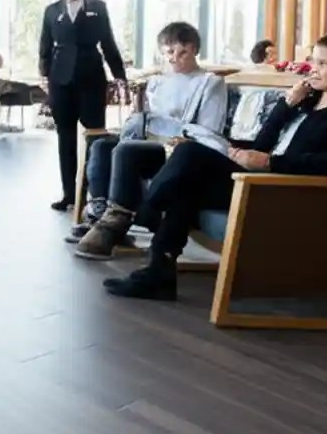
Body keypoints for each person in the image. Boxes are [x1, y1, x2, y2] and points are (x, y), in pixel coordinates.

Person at [103, 19, 327, 301]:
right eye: (314, 61)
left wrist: (270, 163)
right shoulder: (310, 99)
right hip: (266, 179)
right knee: (188, 174)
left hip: (293, 192)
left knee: (189, 155)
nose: (315, 70)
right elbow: (264, 143)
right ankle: (158, 270)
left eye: (325, 64)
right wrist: (285, 107)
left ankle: (147, 212)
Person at [72, 22, 228, 259]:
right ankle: (100, 215)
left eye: (182, 52)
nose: (175, 58)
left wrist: (165, 128)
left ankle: (114, 224)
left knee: (127, 150)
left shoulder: (210, 83)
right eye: (169, 52)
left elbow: (209, 130)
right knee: (103, 145)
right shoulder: (158, 82)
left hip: (179, 146)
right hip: (151, 140)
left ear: (195, 49)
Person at [39, 0, 126, 211]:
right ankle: (69, 193)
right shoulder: (51, 11)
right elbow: (44, 46)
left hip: (92, 80)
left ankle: (93, 193)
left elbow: (108, 43)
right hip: (60, 81)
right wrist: (44, 75)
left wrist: (119, 75)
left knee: (95, 138)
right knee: (65, 137)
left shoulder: (98, 8)